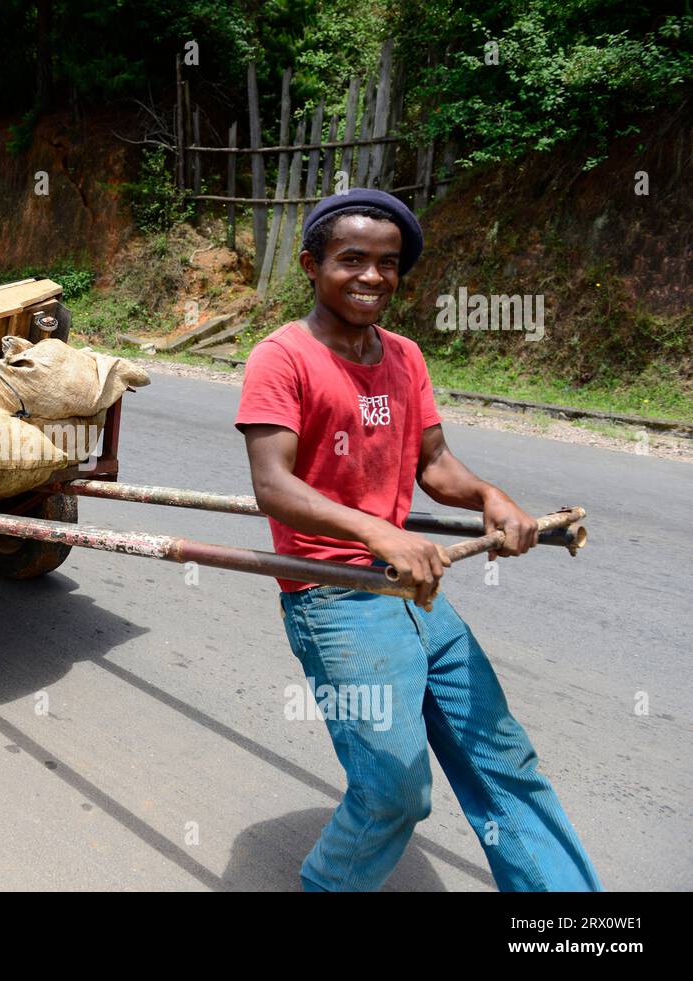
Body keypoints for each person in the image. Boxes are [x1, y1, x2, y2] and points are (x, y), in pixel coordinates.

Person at [236, 188, 601, 891]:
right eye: (352, 260)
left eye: (388, 263)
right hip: (334, 595)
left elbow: (432, 463)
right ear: (311, 265)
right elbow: (273, 486)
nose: (372, 276)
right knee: (394, 793)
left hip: (415, 588)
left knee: (504, 760)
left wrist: (490, 495)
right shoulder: (281, 358)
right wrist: (377, 528)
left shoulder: (404, 355)